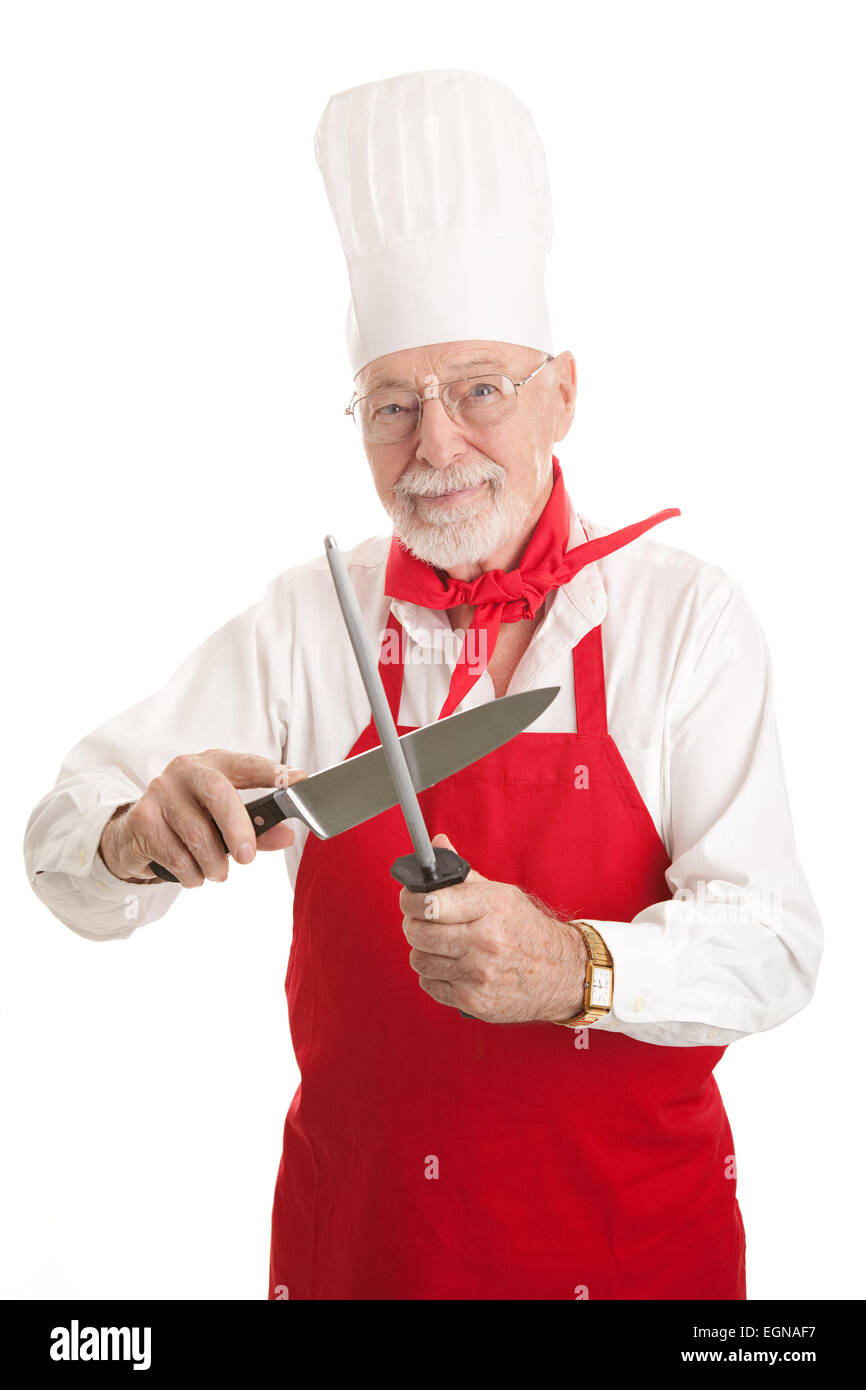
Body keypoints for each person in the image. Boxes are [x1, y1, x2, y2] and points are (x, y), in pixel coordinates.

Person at [24, 69, 822, 1301]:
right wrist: (139, 837)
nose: (435, 444)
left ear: (563, 391)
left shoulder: (685, 619)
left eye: (479, 391)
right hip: (367, 1258)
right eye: (392, 404)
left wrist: (574, 969)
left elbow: (772, 949)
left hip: (633, 1265)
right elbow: (62, 838)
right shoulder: (309, 616)